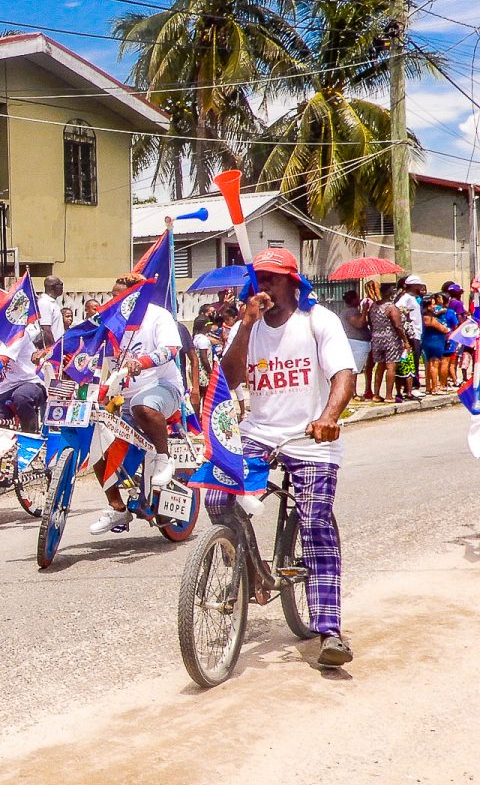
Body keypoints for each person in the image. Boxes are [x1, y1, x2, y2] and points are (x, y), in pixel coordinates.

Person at [207, 247, 356, 668]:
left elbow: (344, 374)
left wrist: (328, 416)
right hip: (258, 434)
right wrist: (245, 324)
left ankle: (329, 630)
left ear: (293, 282)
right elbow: (231, 377)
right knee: (217, 497)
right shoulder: (249, 326)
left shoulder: (318, 321)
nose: (264, 286)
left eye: (272, 278)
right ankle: (250, 566)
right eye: (259, 279)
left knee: (315, 521)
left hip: (309, 437)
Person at [89, 273, 185, 533]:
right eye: (112, 294)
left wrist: (140, 362)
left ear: (137, 295)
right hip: (123, 397)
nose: (113, 299)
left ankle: (164, 459)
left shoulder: (157, 315)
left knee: (141, 406)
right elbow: (98, 358)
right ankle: (117, 508)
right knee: (96, 444)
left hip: (162, 389)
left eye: (118, 294)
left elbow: (171, 350)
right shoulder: (113, 322)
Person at [0, 306, 46, 435]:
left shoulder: (18, 333)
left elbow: (2, 358)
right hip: (6, 387)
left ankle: (29, 435)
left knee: (21, 397)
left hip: (29, 382)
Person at [365, 282, 407, 402]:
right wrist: (405, 340)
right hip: (390, 339)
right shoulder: (390, 307)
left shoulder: (373, 306)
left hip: (376, 338)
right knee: (391, 367)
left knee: (380, 366)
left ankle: (376, 394)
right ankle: (389, 395)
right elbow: (398, 326)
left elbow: (371, 323)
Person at [337, 289, 371, 396]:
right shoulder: (350, 312)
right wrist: (364, 310)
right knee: (355, 369)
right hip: (357, 343)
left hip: (357, 342)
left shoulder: (352, 311)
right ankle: (353, 392)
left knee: (356, 369)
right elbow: (359, 324)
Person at [397, 275, 426, 395]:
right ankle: (412, 387)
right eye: (419, 285)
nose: (421, 287)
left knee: (415, 360)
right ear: (414, 286)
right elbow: (399, 309)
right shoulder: (406, 298)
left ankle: (412, 386)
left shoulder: (414, 298)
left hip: (417, 333)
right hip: (412, 334)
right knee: (412, 361)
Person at [38, 276, 67, 344]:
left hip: (59, 345)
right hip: (52, 348)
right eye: (60, 284)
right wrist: (53, 348)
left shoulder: (53, 302)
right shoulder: (44, 303)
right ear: (52, 287)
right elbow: (46, 329)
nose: (62, 287)